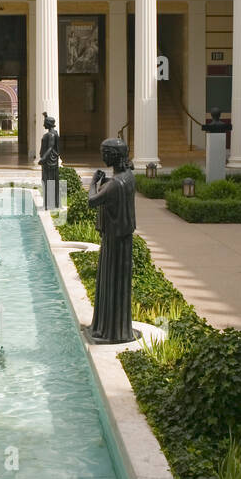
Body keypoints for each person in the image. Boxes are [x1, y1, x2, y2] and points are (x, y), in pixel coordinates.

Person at [88, 138, 137, 343]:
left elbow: (92, 201)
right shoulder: (128, 177)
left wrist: (93, 183)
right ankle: (118, 329)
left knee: (112, 282)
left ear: (114, 156)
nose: (102, 157)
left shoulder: (115, 184)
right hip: (122, 240)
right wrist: (106, 182)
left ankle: (109, 331)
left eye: (105, 153)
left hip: (114, 242)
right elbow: (116, 190)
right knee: (118, 284)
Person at [36, 112, 62, 209]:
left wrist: (43, 159)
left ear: (48, 124)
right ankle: (53, 203)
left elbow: (50, 148)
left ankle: (49, 204)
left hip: (48, 162)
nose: (43, 125)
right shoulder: (54, 133)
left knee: (48, 181)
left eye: (45, 123)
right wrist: (46, 117)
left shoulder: (50, 135)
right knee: (51, 181)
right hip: (51, 161)